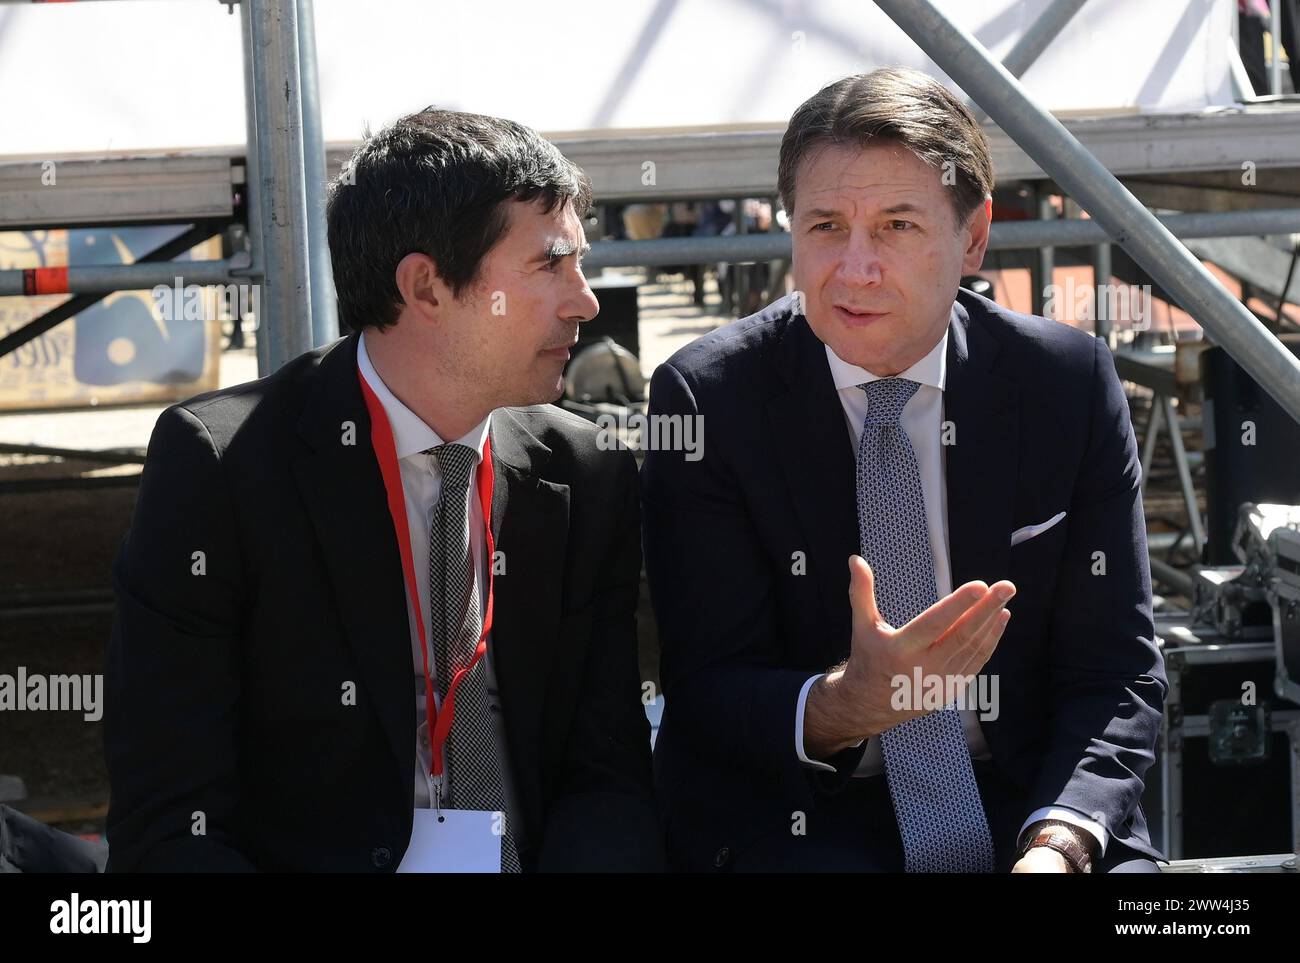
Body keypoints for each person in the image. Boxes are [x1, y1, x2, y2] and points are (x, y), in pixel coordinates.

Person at [104, 108, 664, 873]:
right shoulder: (225, 470)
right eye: (550, 265)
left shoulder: (585, 470)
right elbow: (170, 823)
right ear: (425, 286)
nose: (586, 300)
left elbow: (606, 778)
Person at [642, 68, 1166, 873]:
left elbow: (1118, 672)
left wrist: (1059, 842)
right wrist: (843, 704)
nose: (854, 269)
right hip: (809, 820)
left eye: (895, 225)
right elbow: (708, 689)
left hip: (1034, 805)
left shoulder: (1065, 383)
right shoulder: (710, 398)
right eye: (824, 226)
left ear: (975, 235)